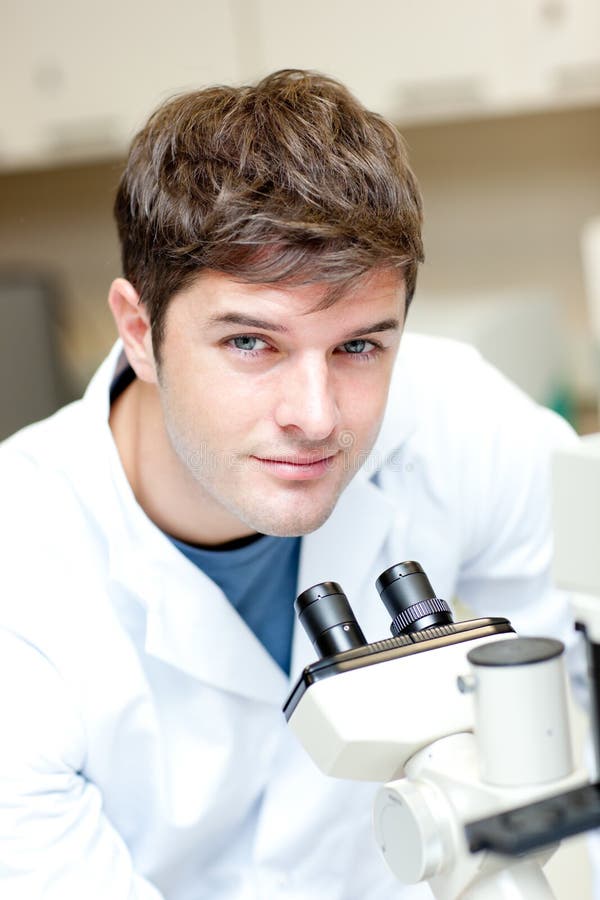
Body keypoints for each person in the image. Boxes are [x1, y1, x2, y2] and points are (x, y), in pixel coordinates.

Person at [0, 69, 579, 899]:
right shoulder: (19, 571)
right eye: (250, 344)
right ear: (139, 330)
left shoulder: (466, 428)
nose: (314, 417)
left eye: (358, 347)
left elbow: (569, 714)